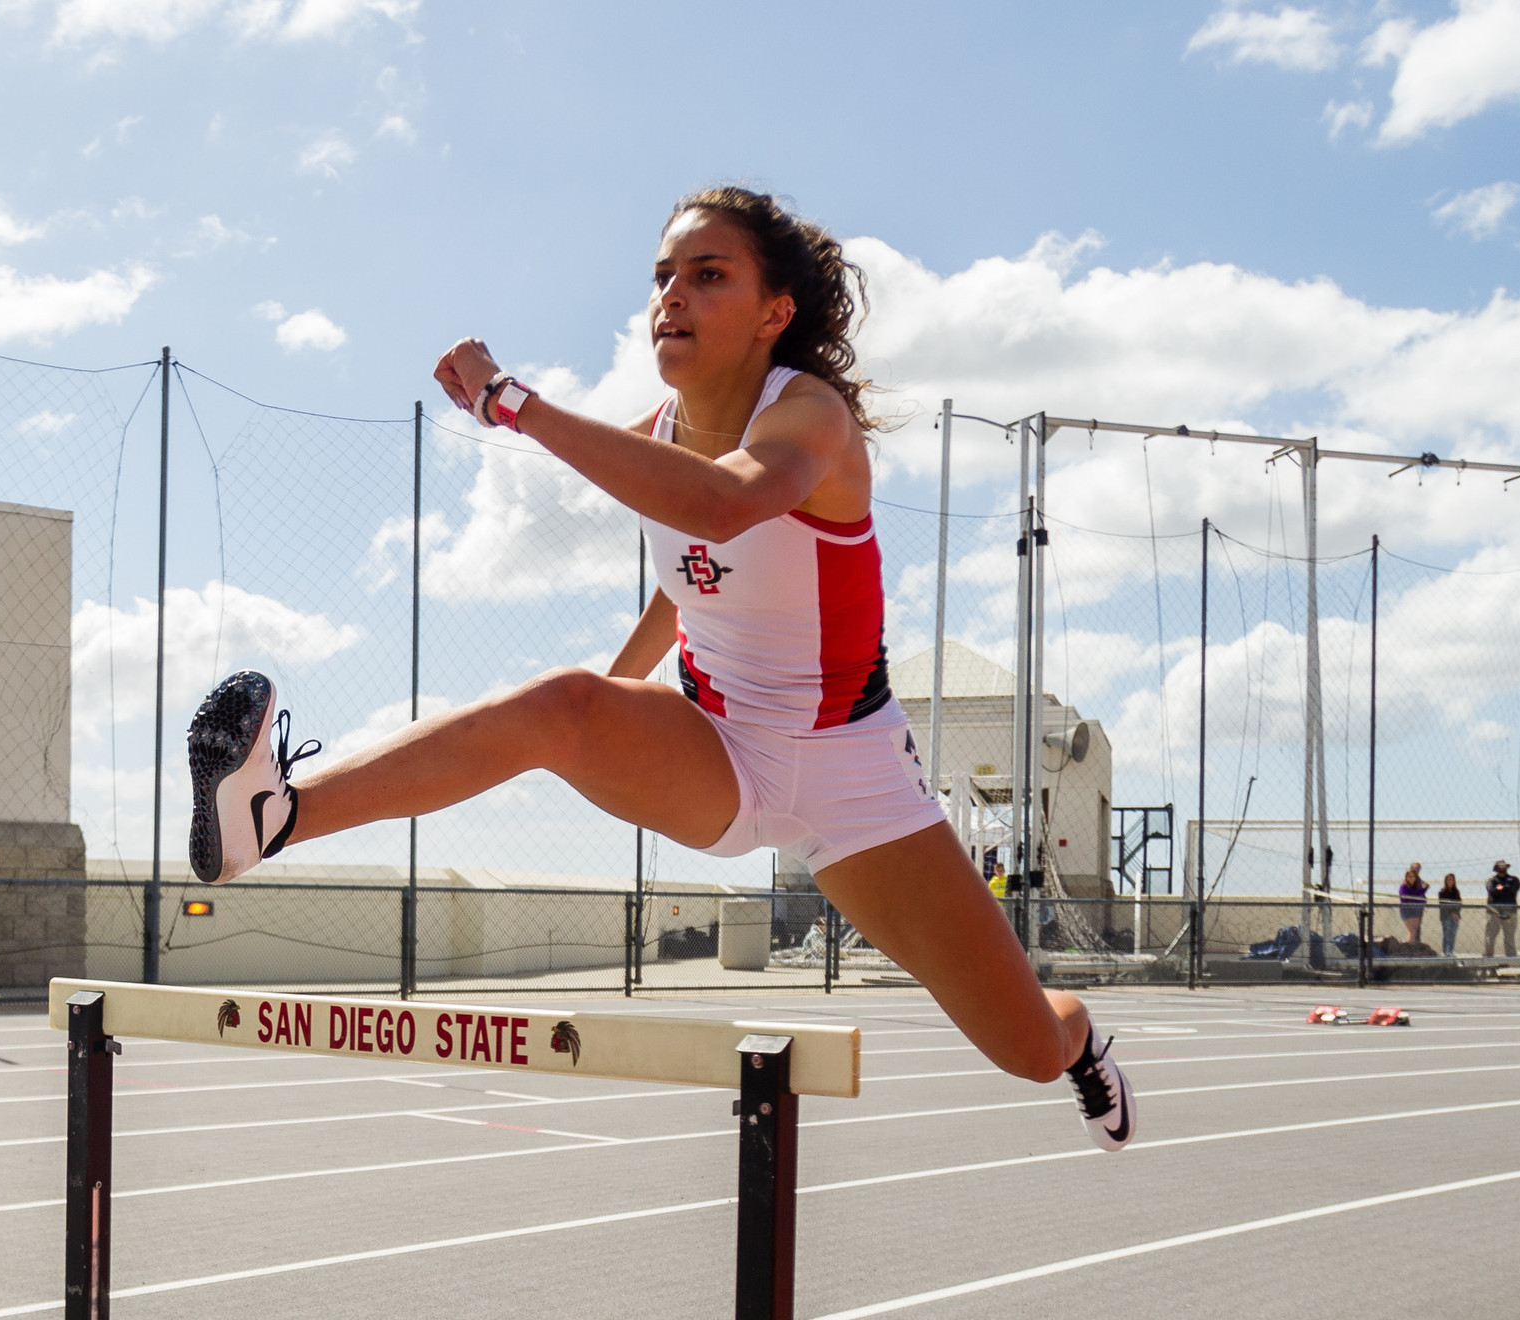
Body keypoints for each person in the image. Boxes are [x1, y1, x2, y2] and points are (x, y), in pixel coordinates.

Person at [186, 186, 1134, 1152]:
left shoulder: (811, 420)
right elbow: (686, 588)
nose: (672, 295)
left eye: (708, 275)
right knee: (559, 703)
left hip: (855, 781)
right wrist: (597, 706)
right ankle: (276, 816)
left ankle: (1079, 1041)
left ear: (774, 313)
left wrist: (514, 404)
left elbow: (723, 507)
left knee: (1026, 1047)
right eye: (662, 276)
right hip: (722, 750)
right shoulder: (655, 438)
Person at [1484, 860, 1520, 957]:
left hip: (1509, 911)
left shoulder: (1514, 879)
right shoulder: (1492, 881)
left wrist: (1502, 888)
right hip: (1494, 912)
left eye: (1504, 866)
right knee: (1490, 935)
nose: (1502, 868)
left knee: (1509, 935)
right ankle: (1488, 956)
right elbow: (1492, 891)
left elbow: (1513, 889)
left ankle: (1511, 957)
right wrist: (1504, 889)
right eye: (1500, 866)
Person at [1397, 862, 1428, 945]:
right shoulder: (1404, 886)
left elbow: (1419, 893)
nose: (1417, 870)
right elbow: (1406, 897)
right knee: (1412, 931)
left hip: (1417, 909)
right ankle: (1407, 946)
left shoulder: (1417, 883)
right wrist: (1416, 897)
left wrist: (1426, 887)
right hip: (1407, 909)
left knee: (1415, 930)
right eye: (1415, 868)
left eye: (1418, 868)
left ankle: (1414, 945)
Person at [1436, 872, 1462, 957]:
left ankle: (1450, 951)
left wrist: (1456, 913)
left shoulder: (1456, 892)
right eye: (1448, 879)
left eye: (1452, 879)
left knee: (1453, 934)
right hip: (1446, 916)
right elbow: (1443, 904)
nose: (1450, 881)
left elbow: (1459, 903)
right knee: (1446, 934)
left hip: (1455, 916)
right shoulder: (1442, 892)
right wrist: (1451, 912)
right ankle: (1446, 951)